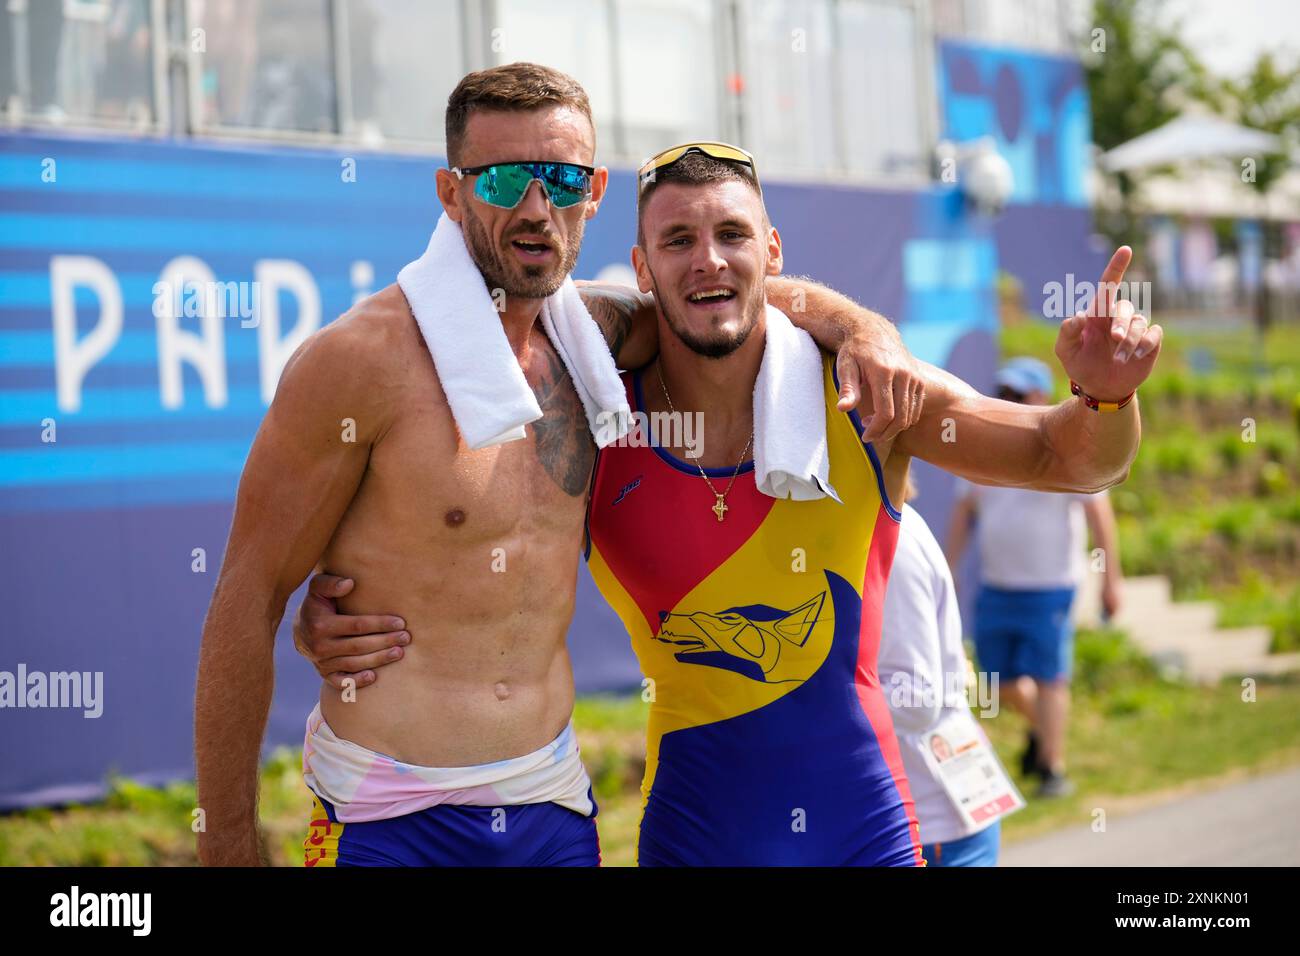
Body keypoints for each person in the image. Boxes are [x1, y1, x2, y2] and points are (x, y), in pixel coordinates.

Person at [297, 143, 1163, 865]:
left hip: (864, 828)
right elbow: (460, 539)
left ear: (773, 253)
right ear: (642, 269)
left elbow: (1064, 457)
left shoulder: (867, 394)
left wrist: (1104, 399)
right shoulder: (595, 420)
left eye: (731, 235)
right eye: (677, 240)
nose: (707, 258)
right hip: (694, 831)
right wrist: (333, 614)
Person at [193, 63, 923, 868]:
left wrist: (865, 329)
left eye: (563, 178)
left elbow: (726, 295)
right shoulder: (358, 363)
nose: (537, 208)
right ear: (450, 190)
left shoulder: (596, 340)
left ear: (596, 190)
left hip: (547, 805)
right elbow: (246, 596)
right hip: (388, 813)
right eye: (504, 179)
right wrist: (227, 842)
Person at [946, 356, 1125, 798]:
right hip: (996, 588)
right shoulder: (981, 451)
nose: (1008, 403)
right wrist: (946, 572)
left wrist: (1111, 580)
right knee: (997, 682)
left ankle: (1053, 769)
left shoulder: (1071, 454)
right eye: (1003, 394)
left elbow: (1101, 517)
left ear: (1041, 399)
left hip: (1052, 588)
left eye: (1018, 395)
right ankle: (1045, 733)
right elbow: (964, 514)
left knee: (1050, 678)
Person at [880, 479, 1013, 867]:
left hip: (936, 822)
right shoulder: (890, 530)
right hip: (937, 808)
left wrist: (816, 699)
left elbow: (917, 698)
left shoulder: (894, 541)